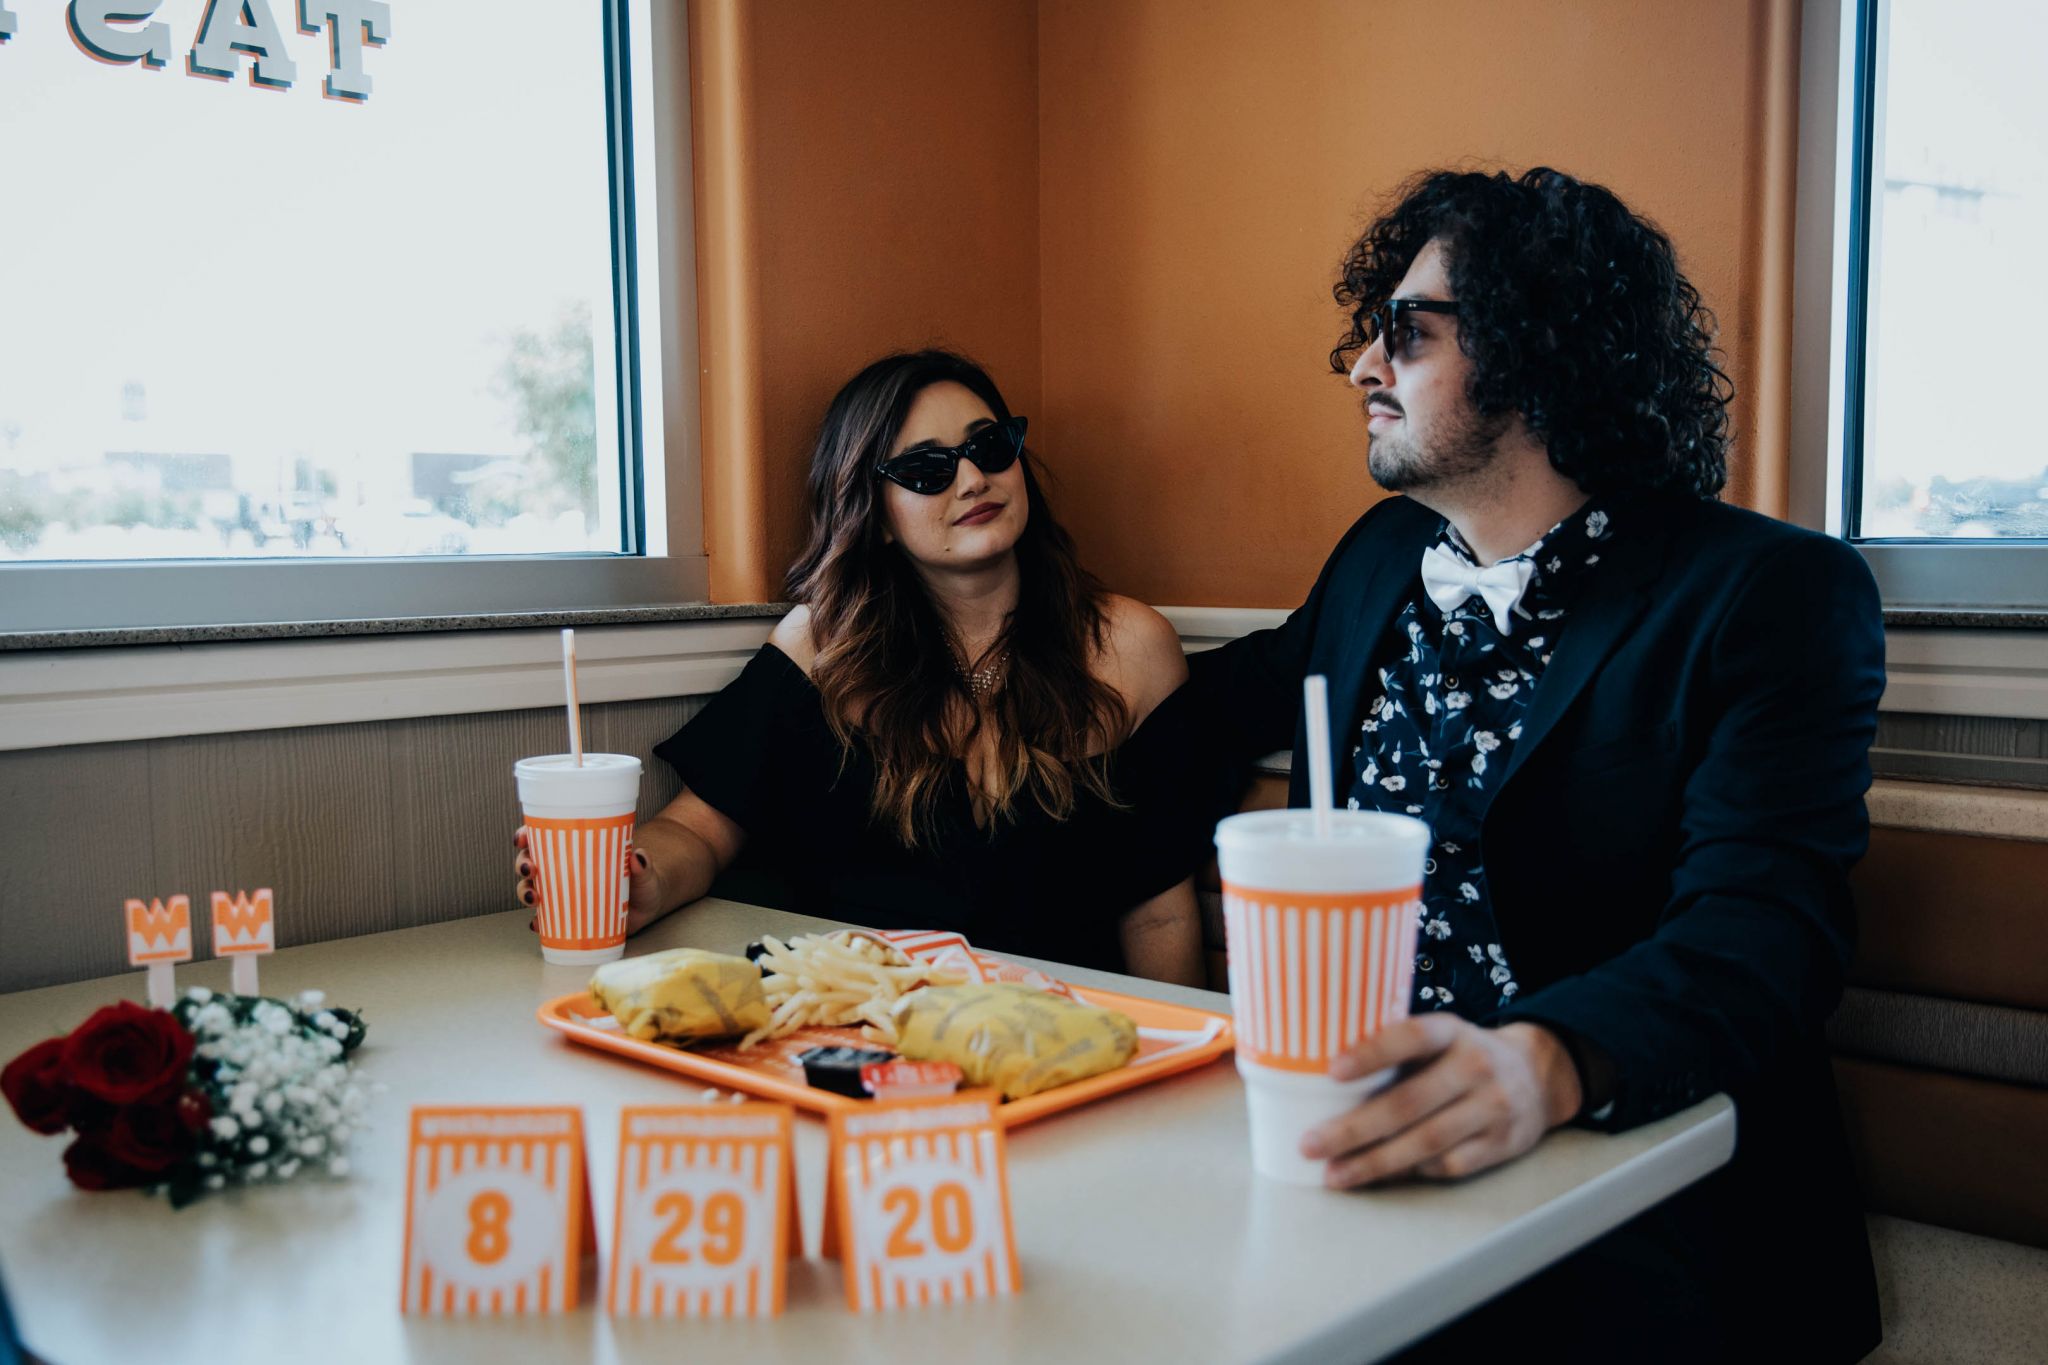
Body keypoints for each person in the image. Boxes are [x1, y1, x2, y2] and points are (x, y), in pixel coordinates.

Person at [1189, 168, 1884, 1361]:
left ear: (1537, 348)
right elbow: (1204, 719)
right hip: (1341, 1144)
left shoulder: (1766, 595)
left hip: (1629, 1183)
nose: (1361, 368)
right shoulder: (1379, 559)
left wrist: (1547, 1063)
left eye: (1404, 332)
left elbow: (1769, 930)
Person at [517, 350, 1206, 985]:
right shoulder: (824, 648)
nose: (972, 478)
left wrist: (1183, 1075)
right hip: (867, 1030)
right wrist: (634, 879)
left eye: (990, 446)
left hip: (1064, 1040)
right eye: (927, 468)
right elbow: (697, 829)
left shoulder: (1128, 645)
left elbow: (1159, 910)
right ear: (874, 513)